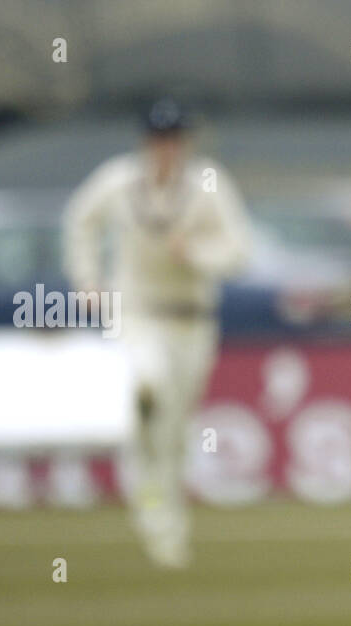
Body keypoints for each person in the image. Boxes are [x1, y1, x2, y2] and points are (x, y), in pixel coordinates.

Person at [63, 99, 251, 568]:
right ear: (146, 142)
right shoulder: (118, 179)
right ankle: (152, 509)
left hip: (192, 319)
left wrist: (196, 253)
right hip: (137, 315)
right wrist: (87, 280)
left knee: (174, 428)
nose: (167, 149)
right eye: (159, 139)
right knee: (150, 383)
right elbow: (80, 220)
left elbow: (238, 250)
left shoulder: (208, 183)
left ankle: (165, 518)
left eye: (175, 139)